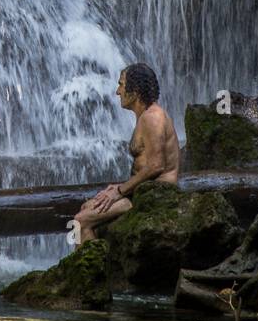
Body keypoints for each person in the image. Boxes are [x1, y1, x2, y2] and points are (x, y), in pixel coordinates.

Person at [73, 63, 180, 244]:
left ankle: (90, 271)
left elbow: (156, 165)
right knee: (87, 207)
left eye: (121, 85)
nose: (117, 92)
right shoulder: (145, 116)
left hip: (156, 196)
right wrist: (119, 189)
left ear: (135, 90)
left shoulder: (153, 117)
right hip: (142, 192)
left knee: (80, 221)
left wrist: (119, 191)